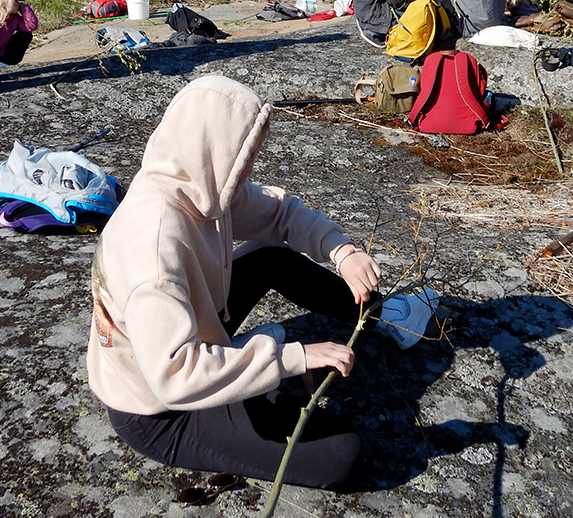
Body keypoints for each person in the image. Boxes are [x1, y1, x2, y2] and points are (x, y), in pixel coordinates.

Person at [88, 75, 438, 489]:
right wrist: (288, 358)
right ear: (210, 150)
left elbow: (280, 214)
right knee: (339, 454)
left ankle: (389, 319)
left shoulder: (192, 179)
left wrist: (342, 252)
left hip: (188, 335)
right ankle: (241, 372)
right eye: (242, 155)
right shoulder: (153, 251)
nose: (249, 167)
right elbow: (174, 376)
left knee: (269, 257)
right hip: (158, 408)